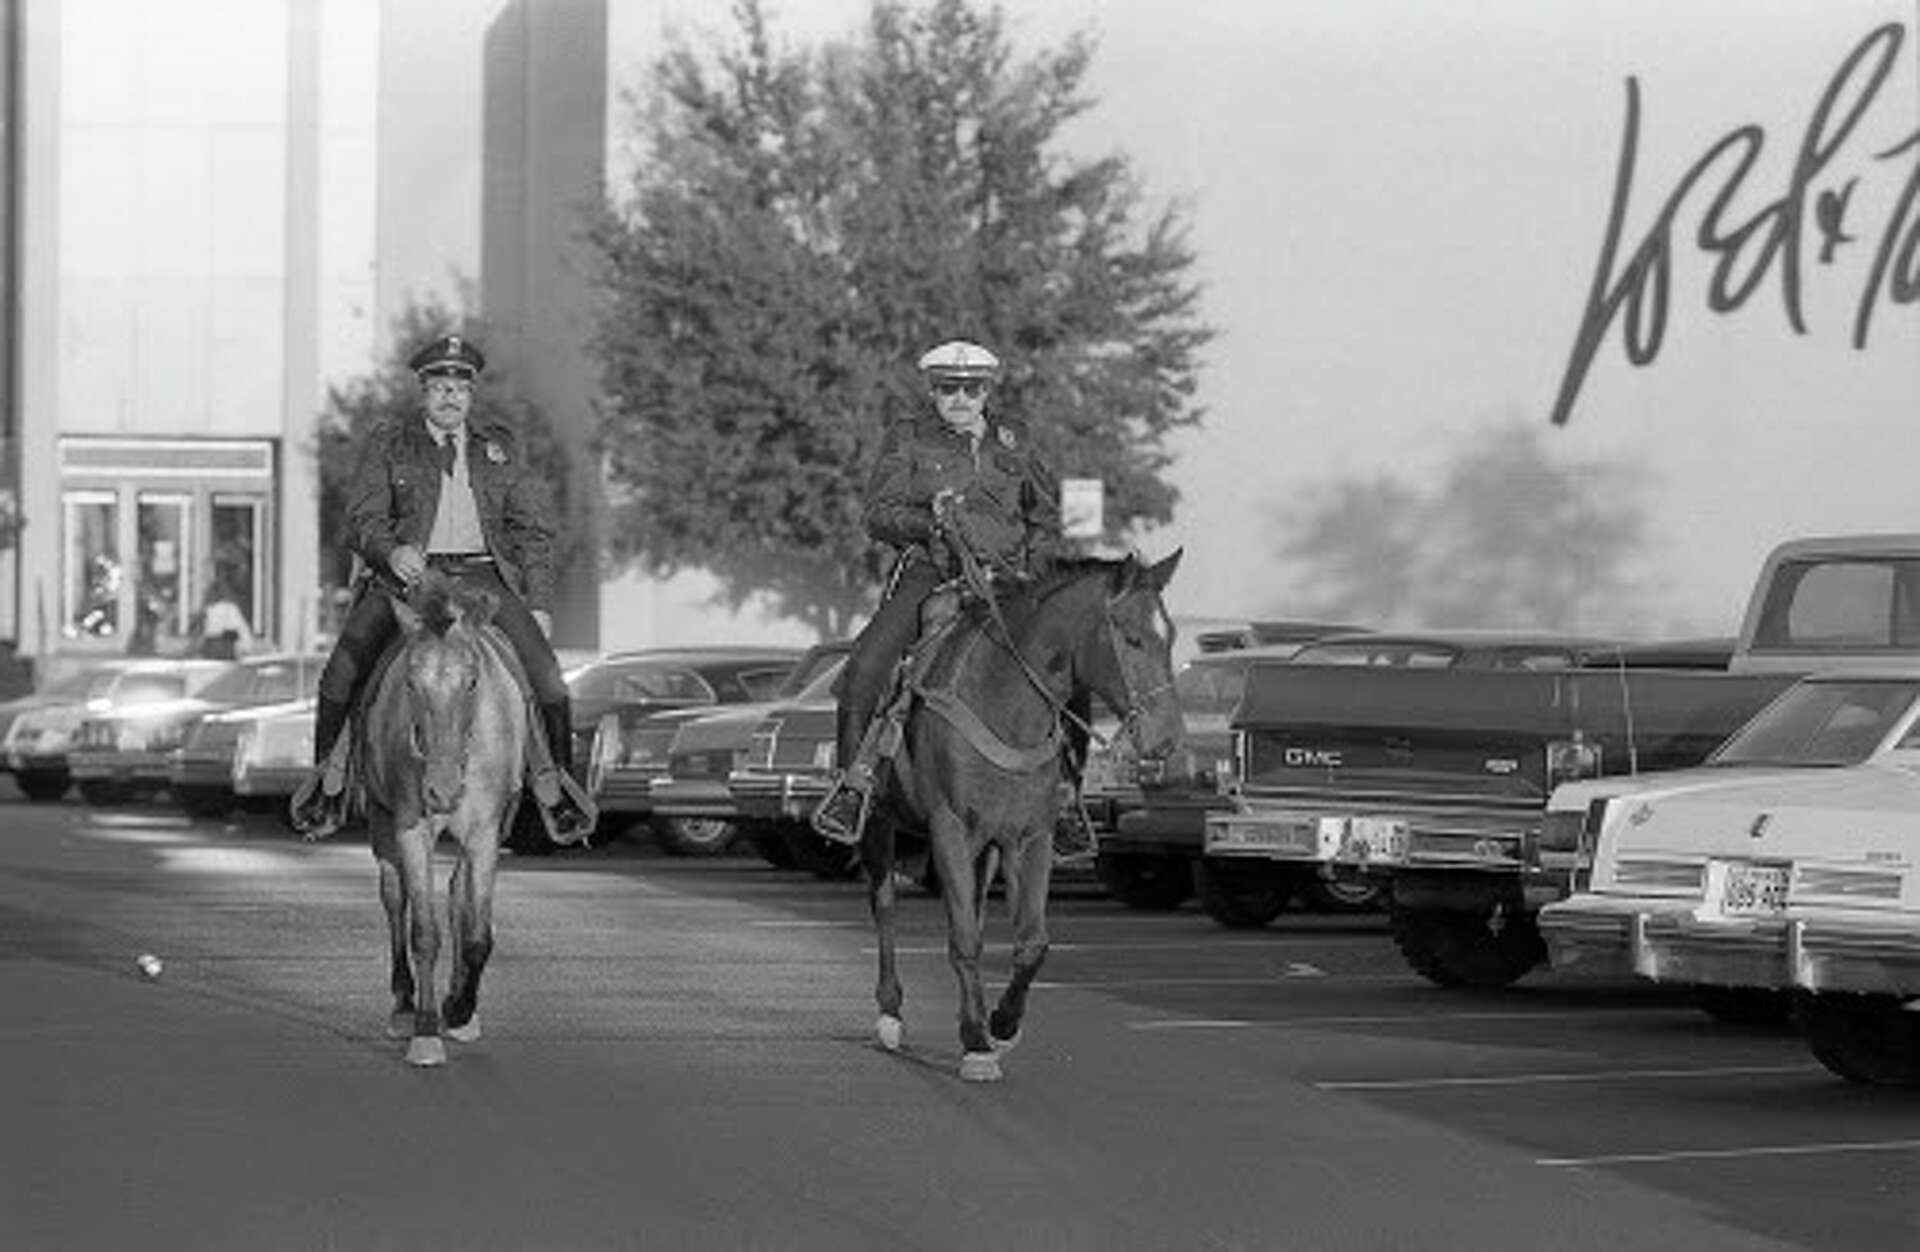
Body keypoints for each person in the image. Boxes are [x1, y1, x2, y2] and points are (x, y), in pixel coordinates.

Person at [289, 334, 594, 841]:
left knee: (546, 673)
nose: (450, 396)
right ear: (423, 392)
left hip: (483, 579)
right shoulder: (390, 444)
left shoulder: (499, 449)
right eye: (439, 386)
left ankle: (559, 790)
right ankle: (328, 784)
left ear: (471, 395)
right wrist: (391, 553)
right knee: (345, 665)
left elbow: (532, 531)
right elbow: (360, 520)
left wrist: (537, 601)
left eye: (460, 387)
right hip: (409, 579)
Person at [811, 339, 1067, 845]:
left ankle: (1070, 796)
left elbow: (1046, 517)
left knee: (1068, 663)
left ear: (987, 390)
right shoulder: (907, 437)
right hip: (933, 571)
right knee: (865, 665)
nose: (960, 397)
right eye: (949, 387)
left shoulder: (1017, 439)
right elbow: (878, 516)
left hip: (1011, 580)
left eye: (971, 388)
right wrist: (928, 518)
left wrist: (1033, 572)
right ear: (932, 390)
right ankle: (852, 786)